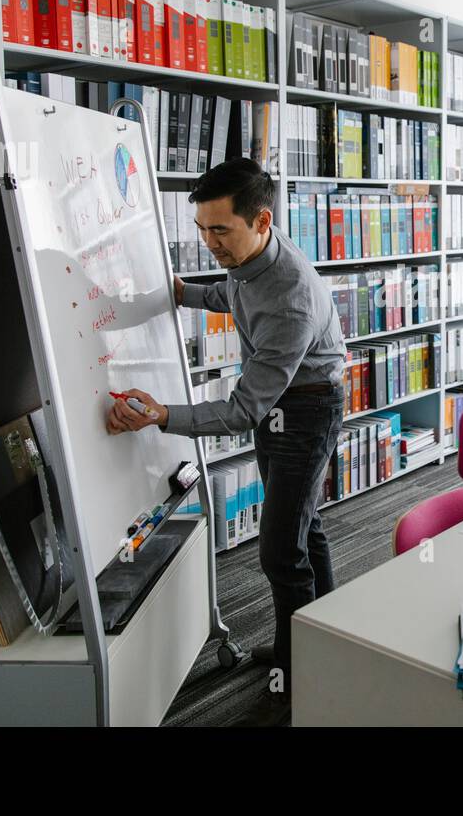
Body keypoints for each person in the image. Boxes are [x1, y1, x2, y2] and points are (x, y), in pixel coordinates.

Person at [106, 158, 346, 719]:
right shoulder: (254, 254)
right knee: (303, 527)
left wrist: (164, 415)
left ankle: (300, 669)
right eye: (202, 229)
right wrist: (186, 292)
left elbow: (244, 410)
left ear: (261, 221)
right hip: (285, 403)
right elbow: (236, 296)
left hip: (305, 409)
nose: (210, 242)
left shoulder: (290, 300)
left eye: (221, 231)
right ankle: (323, 638)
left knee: (280, 550)